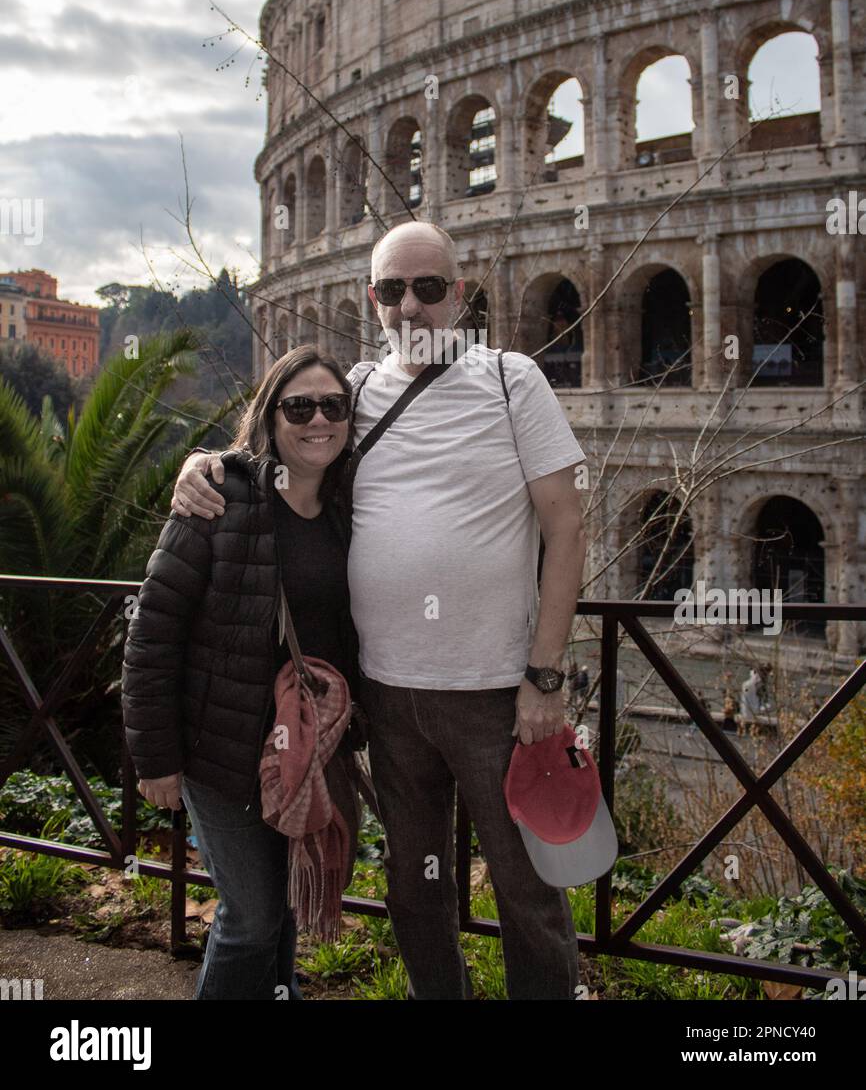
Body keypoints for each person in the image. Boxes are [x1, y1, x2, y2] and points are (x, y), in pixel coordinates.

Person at [173, 219, 588, 1000]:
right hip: (388, 696)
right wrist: (202, 463)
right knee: (412, 885)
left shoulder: (511, 380)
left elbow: (566, 525)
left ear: (458, 296)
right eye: (393, 290)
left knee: (527, 888)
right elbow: (281, 449)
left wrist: (546, 674)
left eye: (429, 288)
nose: (411, 306)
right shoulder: (357, 391)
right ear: (373, 299)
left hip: (496, 691)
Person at [121, 346, 359, 1000]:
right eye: (300, 406)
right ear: (271, 414)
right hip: (217, 747)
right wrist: (155, 759)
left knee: (279, 909)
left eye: (333, 406)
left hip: (302, 751)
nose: (318, 420)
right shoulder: (221, 494)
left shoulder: (350, 504)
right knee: (251, 915)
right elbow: (153, 629)